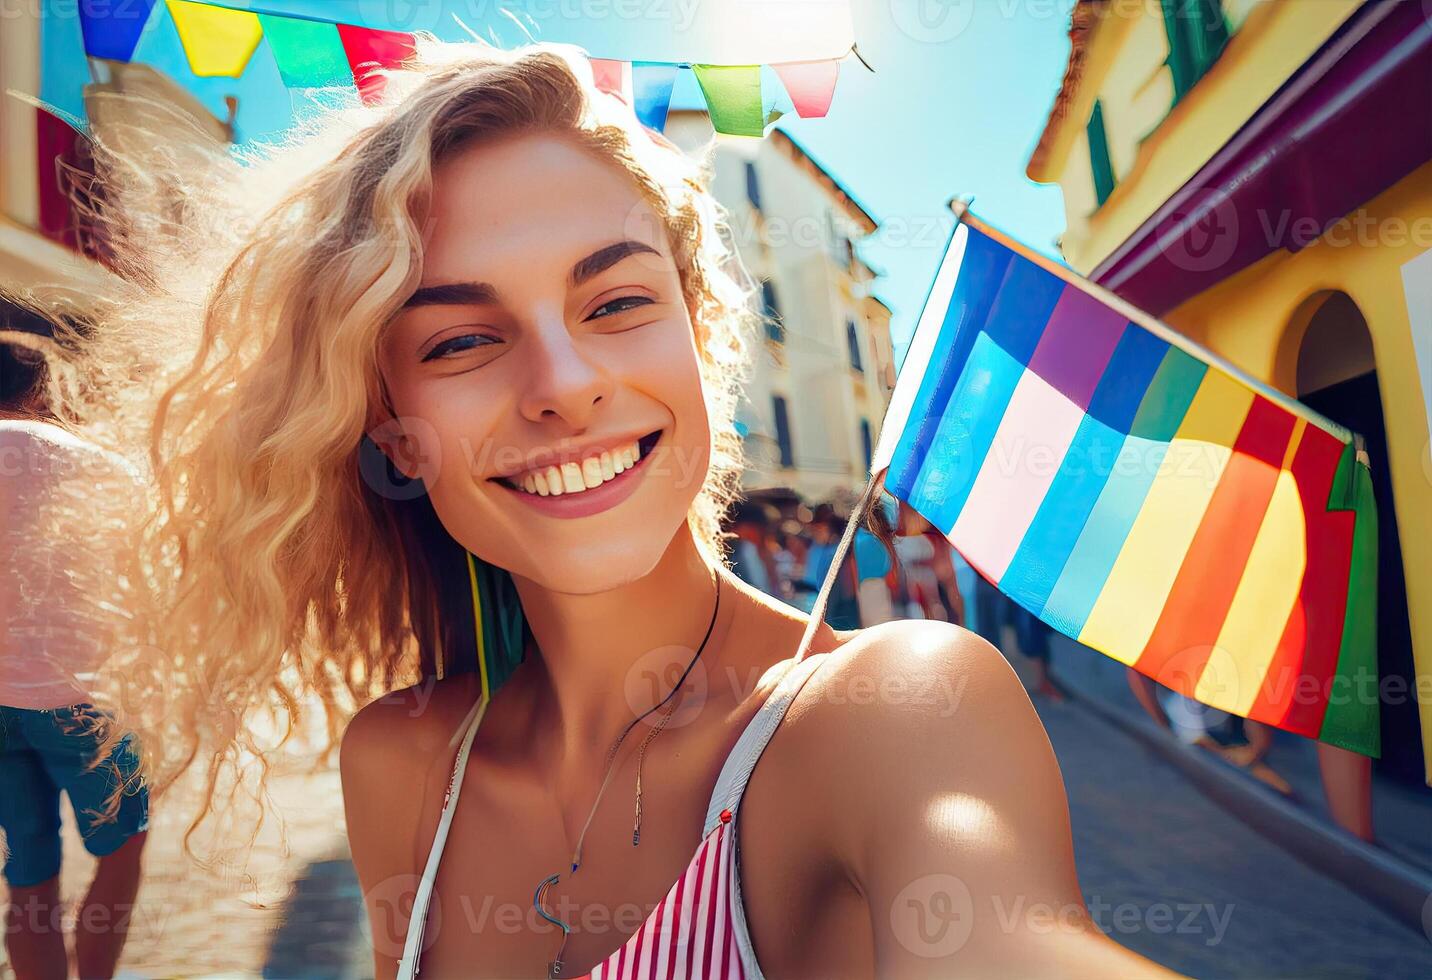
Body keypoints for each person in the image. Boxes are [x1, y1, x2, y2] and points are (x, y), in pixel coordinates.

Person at [27, 41, 1181, 978]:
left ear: (700, 339)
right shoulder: (399, 759)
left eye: (617, 300)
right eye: (463, 337)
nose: (565, 381)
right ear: (388, 425)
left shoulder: (893, 708)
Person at [0, 318, 149, 979]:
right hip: (84, 698)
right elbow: (152, 590)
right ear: (47, 390)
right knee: (123, 851)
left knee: (27, 872)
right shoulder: (98, 466)